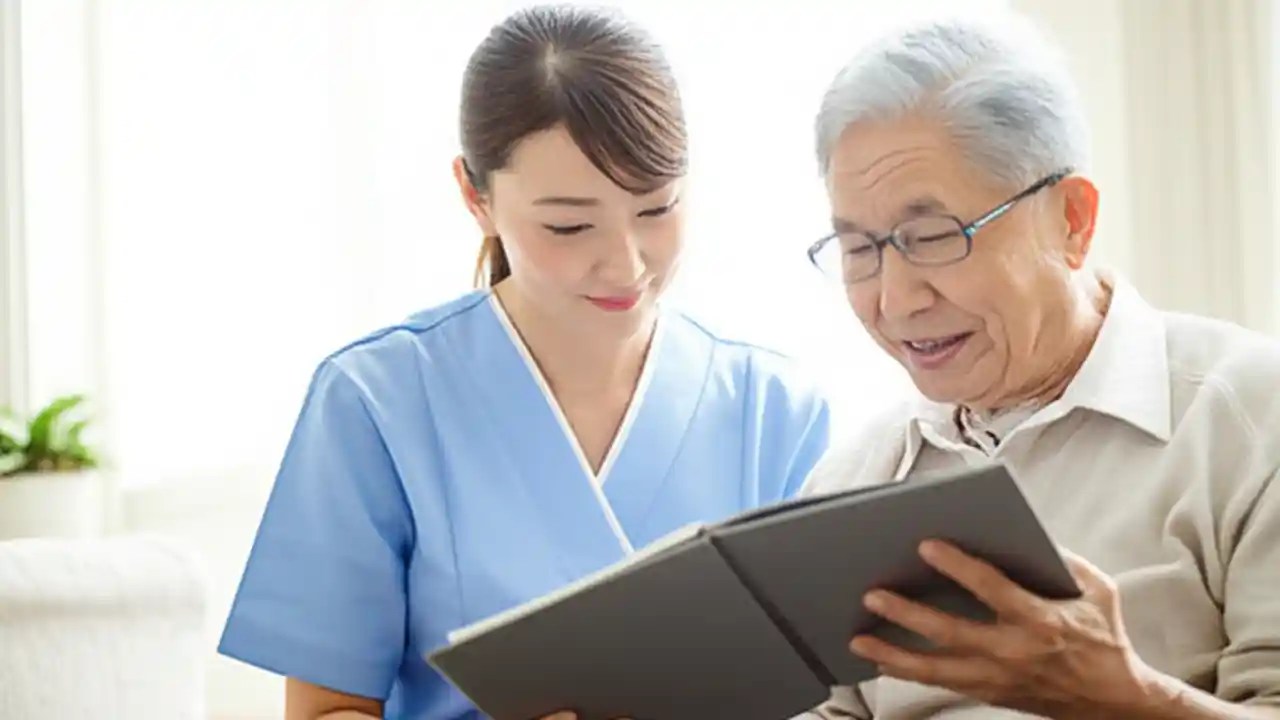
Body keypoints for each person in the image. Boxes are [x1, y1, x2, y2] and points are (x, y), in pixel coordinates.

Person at [216, 5, 831, 719]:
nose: (626, 264)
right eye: (569, 225)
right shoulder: (374, 403)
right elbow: (325, 710)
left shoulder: (773, 409)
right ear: (474, 196)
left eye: (656, 210)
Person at [797, 13, 1280, 720]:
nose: (895, 301)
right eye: (861, 250)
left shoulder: (1251, 420)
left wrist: (1126, 699)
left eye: (932, 237)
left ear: (1071, 220)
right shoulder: (848, 485)